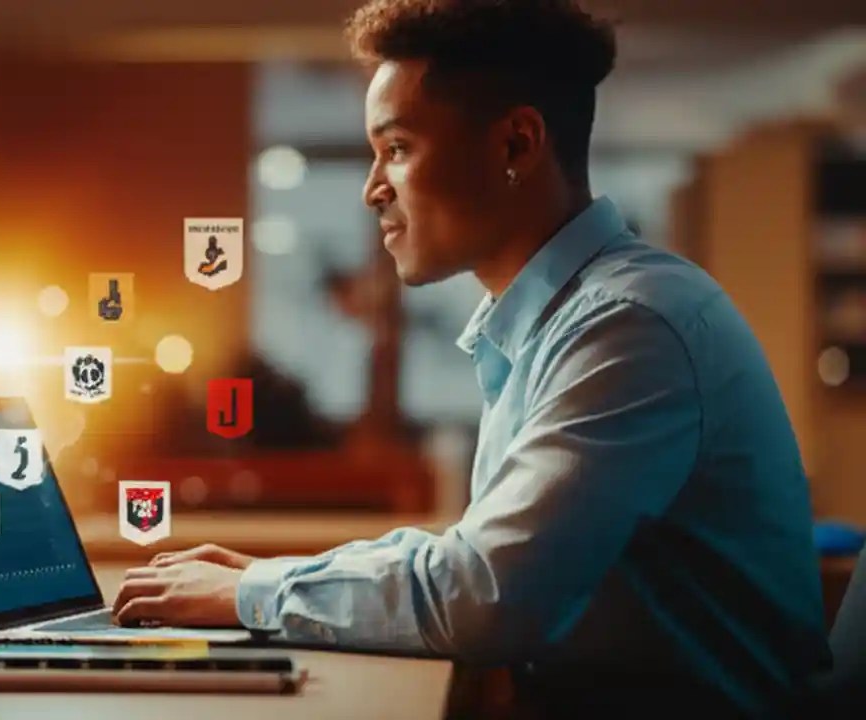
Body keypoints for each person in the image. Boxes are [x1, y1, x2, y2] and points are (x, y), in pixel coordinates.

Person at [112, 0, 831, 715]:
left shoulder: (627, 327)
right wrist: (281, 576)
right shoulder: (566, 318)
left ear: (517, 145)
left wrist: (253, 595)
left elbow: (486, 596)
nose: (372, 190)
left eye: (396, 149)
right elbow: (475, 557)